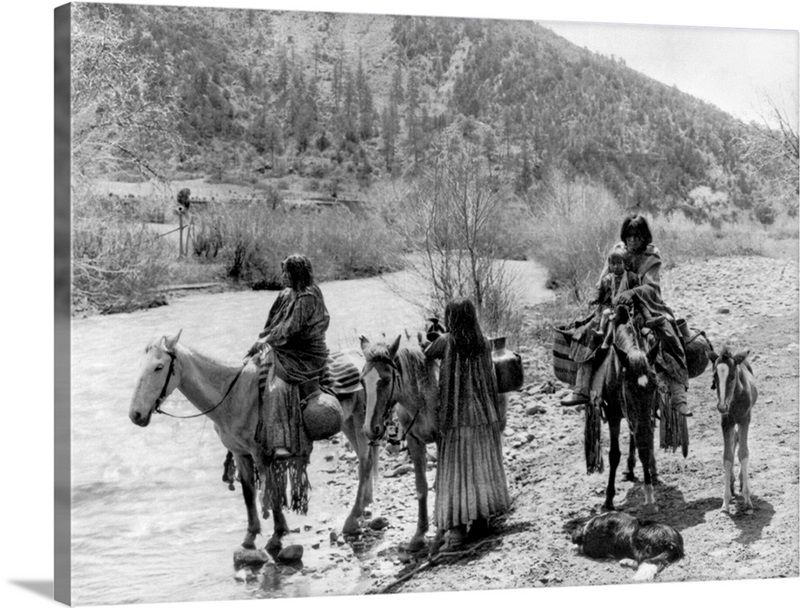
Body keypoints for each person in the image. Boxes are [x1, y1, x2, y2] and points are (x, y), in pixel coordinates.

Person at [561, 214, 692, 417]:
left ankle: (677, 396)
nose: (632, 240)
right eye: (629, 236)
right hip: (613, 306)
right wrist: (604, 291)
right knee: (586, 333)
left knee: (668, 336)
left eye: (637, 236)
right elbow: (602, 279)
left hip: (644, 307)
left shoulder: (651, 256)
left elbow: (652, 287)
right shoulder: (617, 252)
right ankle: (582, 388)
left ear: (644, 237)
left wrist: (633, 292)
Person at [424, 297, 510, 552]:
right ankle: (482, 519)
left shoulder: (446, 341)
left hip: (457, 418)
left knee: (457, 472)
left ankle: (458, 530)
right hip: (484, 416)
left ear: (451, 319)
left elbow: (426, 355)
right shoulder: (483, 342)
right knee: (481, 468)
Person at [247, 254, 330, 510]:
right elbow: (272, 323)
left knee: (278, 384)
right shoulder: (286, 294)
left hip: (304, 352)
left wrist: (268, 341)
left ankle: (282, 441)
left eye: (286, 273)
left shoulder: (307, 296)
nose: (283, 277)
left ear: (296, 274)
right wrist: (262, 339)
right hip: (286, 346)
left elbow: (291, 329)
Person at [590, 245, 641, 349]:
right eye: (613, 264)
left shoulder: (631, 277)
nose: (615, 267)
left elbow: (637, 290)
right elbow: (600, 291)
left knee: (618, 313)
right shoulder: (607, 279)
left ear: (625, 264)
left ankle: (607, 340)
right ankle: (601, 330)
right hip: (611, 306)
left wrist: (631, 295)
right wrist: (596, 298)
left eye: (618, 263)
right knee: (605, 313)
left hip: (627, 308)